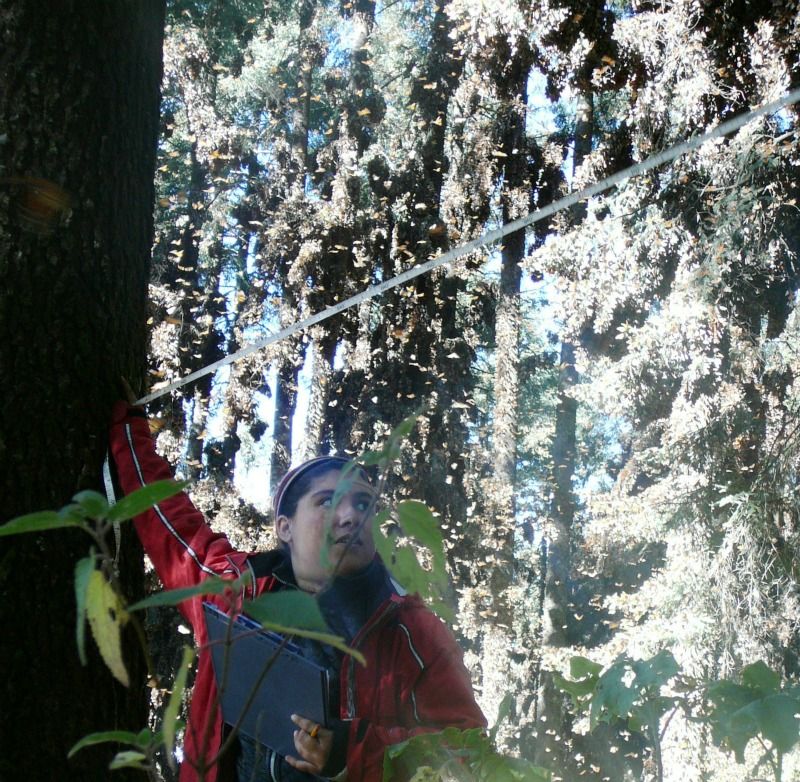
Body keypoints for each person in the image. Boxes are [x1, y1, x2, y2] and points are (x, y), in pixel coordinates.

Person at [109, 400, 486, 782]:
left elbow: (467, 752)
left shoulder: (413, 634)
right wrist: (129, 431)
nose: (351, 515)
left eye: (363, 503)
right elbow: (167, 519)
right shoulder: (235, 592)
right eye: (328, 501)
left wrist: (349, 756)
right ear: (285, 528)